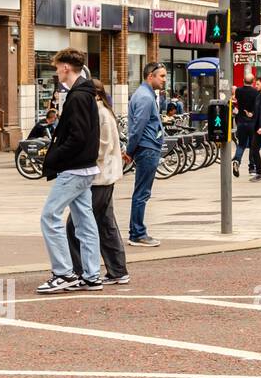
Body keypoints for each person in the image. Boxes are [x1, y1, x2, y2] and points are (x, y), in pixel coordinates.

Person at [35, 49, 104, 294]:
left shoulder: (76, 97)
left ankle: (63, 273)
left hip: (74, 169)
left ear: (66, 67)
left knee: (50, 217)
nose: (56, 72)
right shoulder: (86, 94)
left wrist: (54, 155)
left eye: (57, 68)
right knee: (85, 221)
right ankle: (92, 274)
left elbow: (77, 137)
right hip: (86, 167)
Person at [63, 79, 129, 285]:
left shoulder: (100, 114)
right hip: (103, 177)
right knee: (104, 224)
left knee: (75, 226)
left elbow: (102, 147)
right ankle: (117, 270)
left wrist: (77, 157)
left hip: (99, 178)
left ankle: (80, 272)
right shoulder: (101, 112)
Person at [125, 61, 166, 248]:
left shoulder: (146, 95)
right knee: (142, 193)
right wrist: (130, 151)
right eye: (162, 76)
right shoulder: (145, 97)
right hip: (147, 148)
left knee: (142, 192)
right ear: (151, 76)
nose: (164, 80)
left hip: (147, 147)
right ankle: (138, 234)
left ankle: (137, 232)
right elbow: (137, 128)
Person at [233, 72, 260, 178]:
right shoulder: (255, 92)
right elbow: (257, 106)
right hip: (252, 122)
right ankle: (251, 167)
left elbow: (237, 100)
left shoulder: (238, 91)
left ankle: (237, 161)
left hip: (241, 121)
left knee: (241, 144)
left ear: (243, 81)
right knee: (253, 145)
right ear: (253, 82)